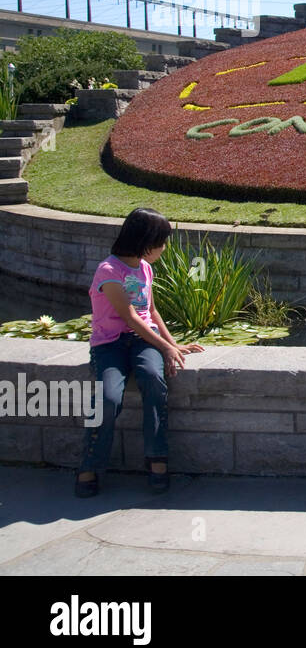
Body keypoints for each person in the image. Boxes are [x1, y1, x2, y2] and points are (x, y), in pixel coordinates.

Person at [75, 208, 203, 498]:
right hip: (110, 344)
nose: (164, 248)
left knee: (153, 382)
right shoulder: (108, 271)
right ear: (144, 241)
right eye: (161, 241)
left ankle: (157, 458)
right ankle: (90, 465)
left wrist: (173, 343)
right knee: (107, 398)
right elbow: (130, 316)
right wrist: (166, 347)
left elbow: (150, 312)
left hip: (145, 341)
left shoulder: (143, 268)